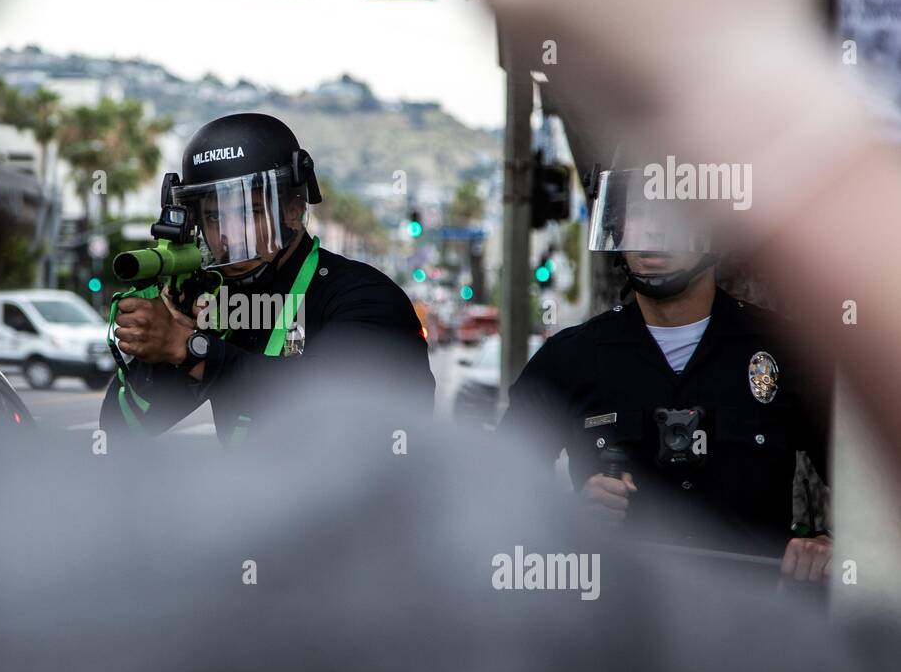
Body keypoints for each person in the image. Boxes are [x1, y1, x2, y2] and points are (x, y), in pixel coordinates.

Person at [499, 168, 831, 575]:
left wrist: (829, 543)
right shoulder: (569, 358)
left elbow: (878, 482)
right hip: (614, 624)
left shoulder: (789, 351)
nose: (653, 230)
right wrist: (570, 513)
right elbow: (494, 496)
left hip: (752, 626)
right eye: (638, 212)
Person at [98, 112, 434, 443]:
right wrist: (158, 350)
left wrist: (187, 348)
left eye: (248, 212)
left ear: (292, 208)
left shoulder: (365, 296)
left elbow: (327, 403)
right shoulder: (223, 306)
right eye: (215, 216)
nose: (229, 235)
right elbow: (121, 429)